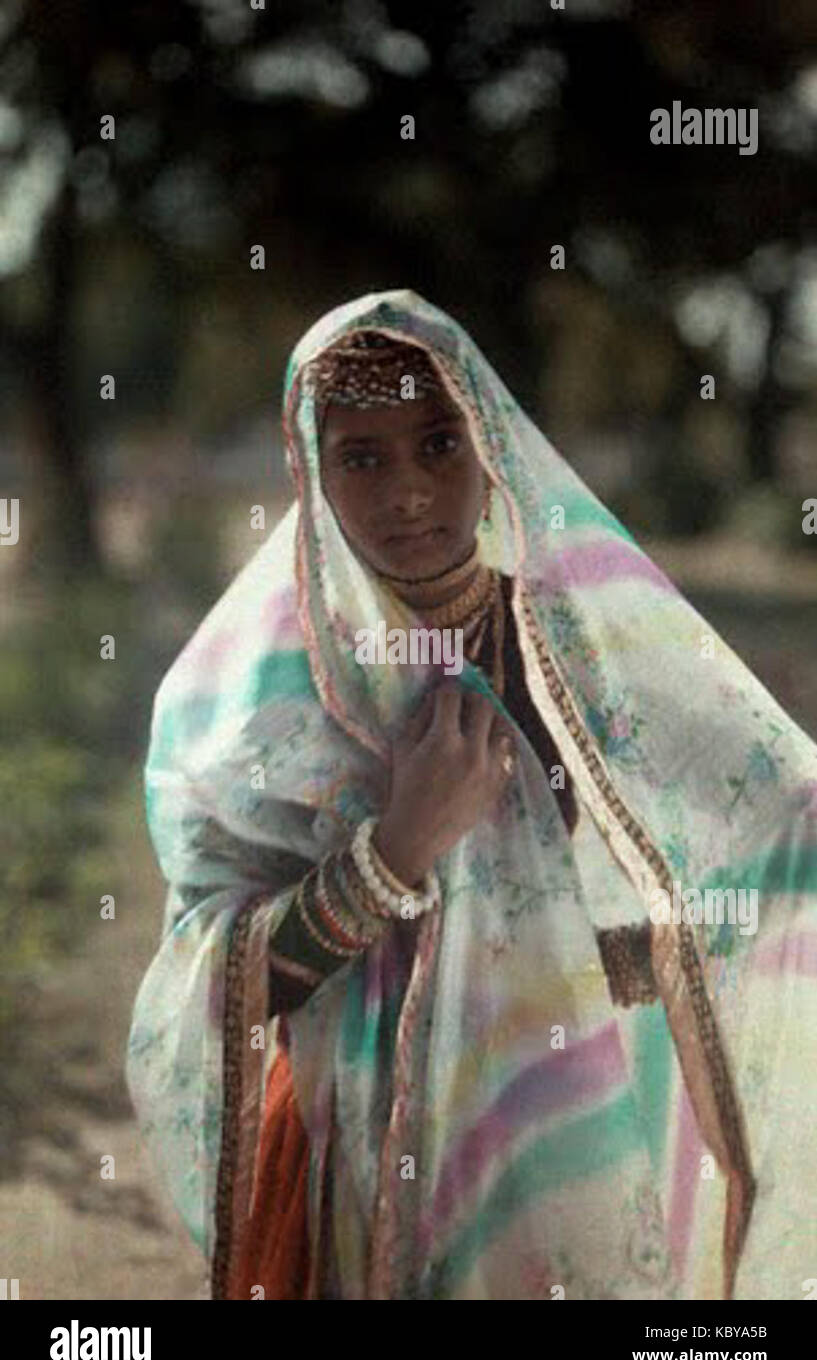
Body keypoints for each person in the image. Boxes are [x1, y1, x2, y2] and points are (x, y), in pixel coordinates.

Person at [127, 288, 817, 1301]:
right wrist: (391, 855)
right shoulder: (241, 692)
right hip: (353, 1149)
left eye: (439, 443)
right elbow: (212, 987)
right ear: (310, 471)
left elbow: (752, 822)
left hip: (562, 1122)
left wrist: (678, 943)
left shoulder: (574, 646)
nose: (409, 491)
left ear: (490, 440)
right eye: (362, 457)